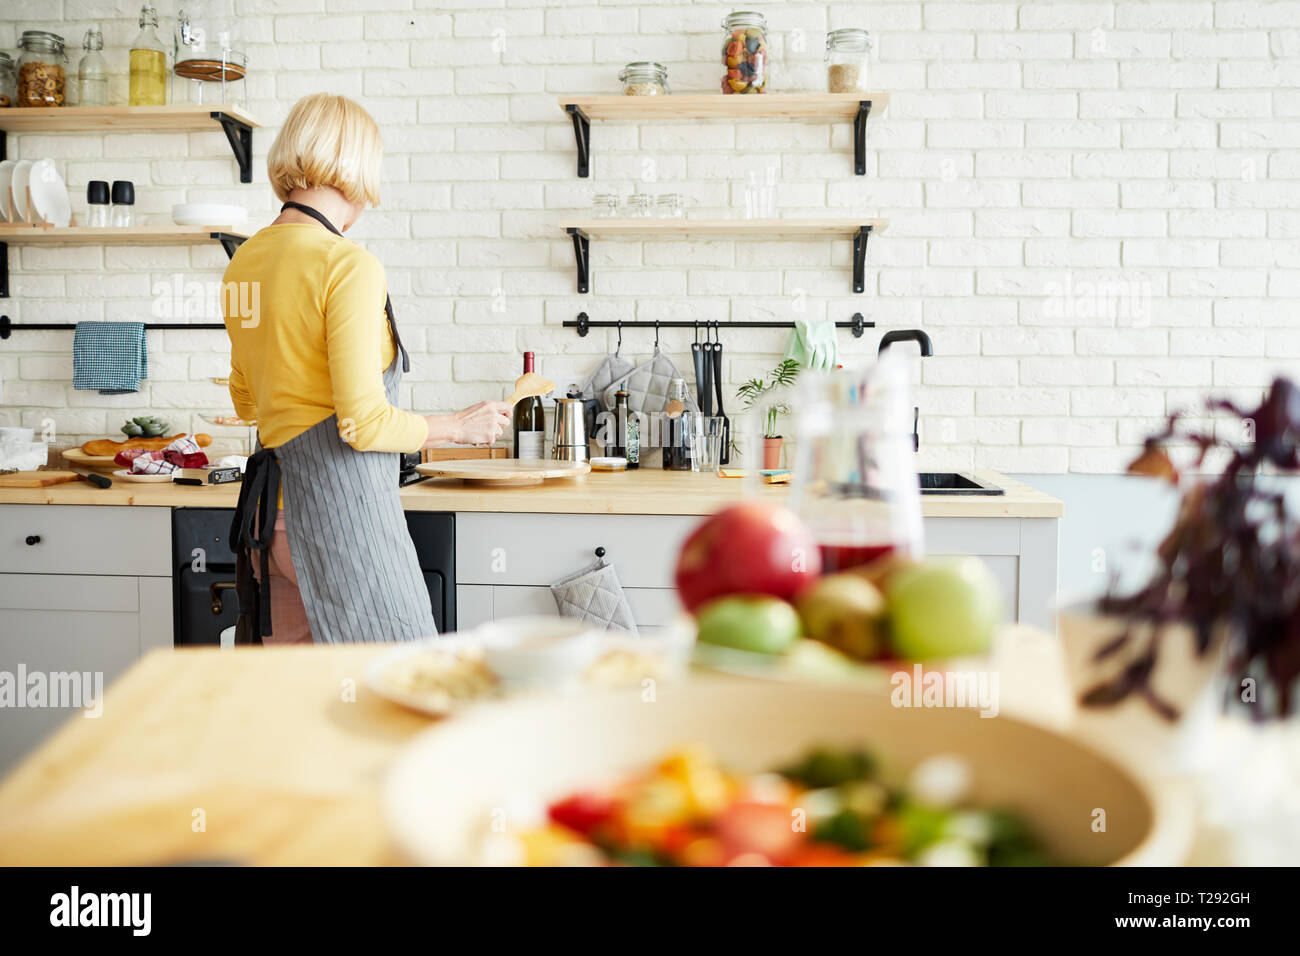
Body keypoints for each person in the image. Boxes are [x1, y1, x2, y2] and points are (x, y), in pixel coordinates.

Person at [222, 93, 509, 645]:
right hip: (339, 523)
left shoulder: (245, 261)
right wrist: (458, 427)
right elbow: (364, 424)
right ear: (352, 167)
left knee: (304, 705)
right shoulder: (345, 264)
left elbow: (247, 405)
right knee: (394, 688)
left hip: (270, 525)